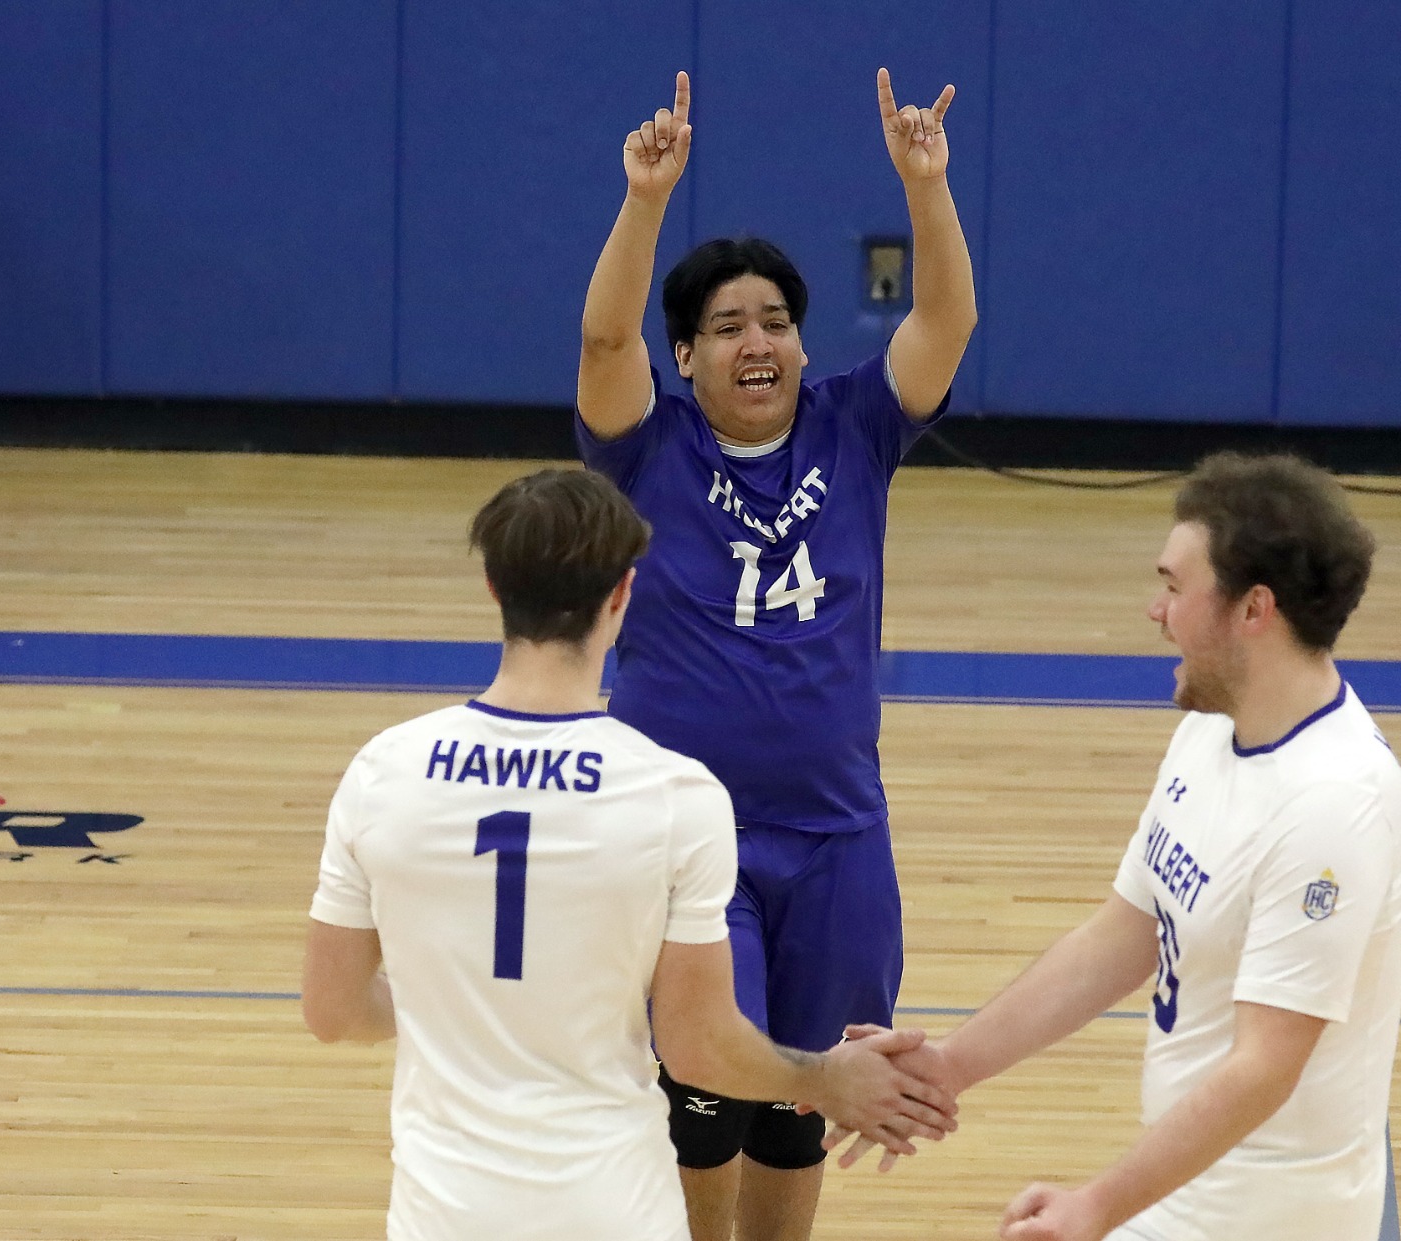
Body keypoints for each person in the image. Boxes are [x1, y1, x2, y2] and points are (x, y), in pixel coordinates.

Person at [299, 469, 957, 1241]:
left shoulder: (386, 769)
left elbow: (333, 1010)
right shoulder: (674, 793)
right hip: (613, 1210)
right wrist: (824, 1077)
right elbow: (698, 1043)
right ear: (622, 594)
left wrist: (463, 1006)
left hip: (443, 1214)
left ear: (493, 587)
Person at [572, 67, 978, 1241]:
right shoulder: (643, 447)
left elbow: (943, 322)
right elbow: (604, 333)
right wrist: (644, 199)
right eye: (727, 327)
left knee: (805, 1097)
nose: (759, 342)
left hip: (837, 827)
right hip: (688, 832)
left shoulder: (856, 424)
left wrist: (924, 187)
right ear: (687, 358)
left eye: (777, 321)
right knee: (705, 1095)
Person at [830, 453, 1401, 1241]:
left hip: (1266, 1219)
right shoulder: (1211, 733)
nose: (1156, 609)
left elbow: (1263, 1068)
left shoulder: (1333, 809)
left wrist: (1097, 1205)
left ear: (1253, 609)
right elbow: (1121, 935)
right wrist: (948, 1064)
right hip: (1188, 1194)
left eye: (1177, 587)